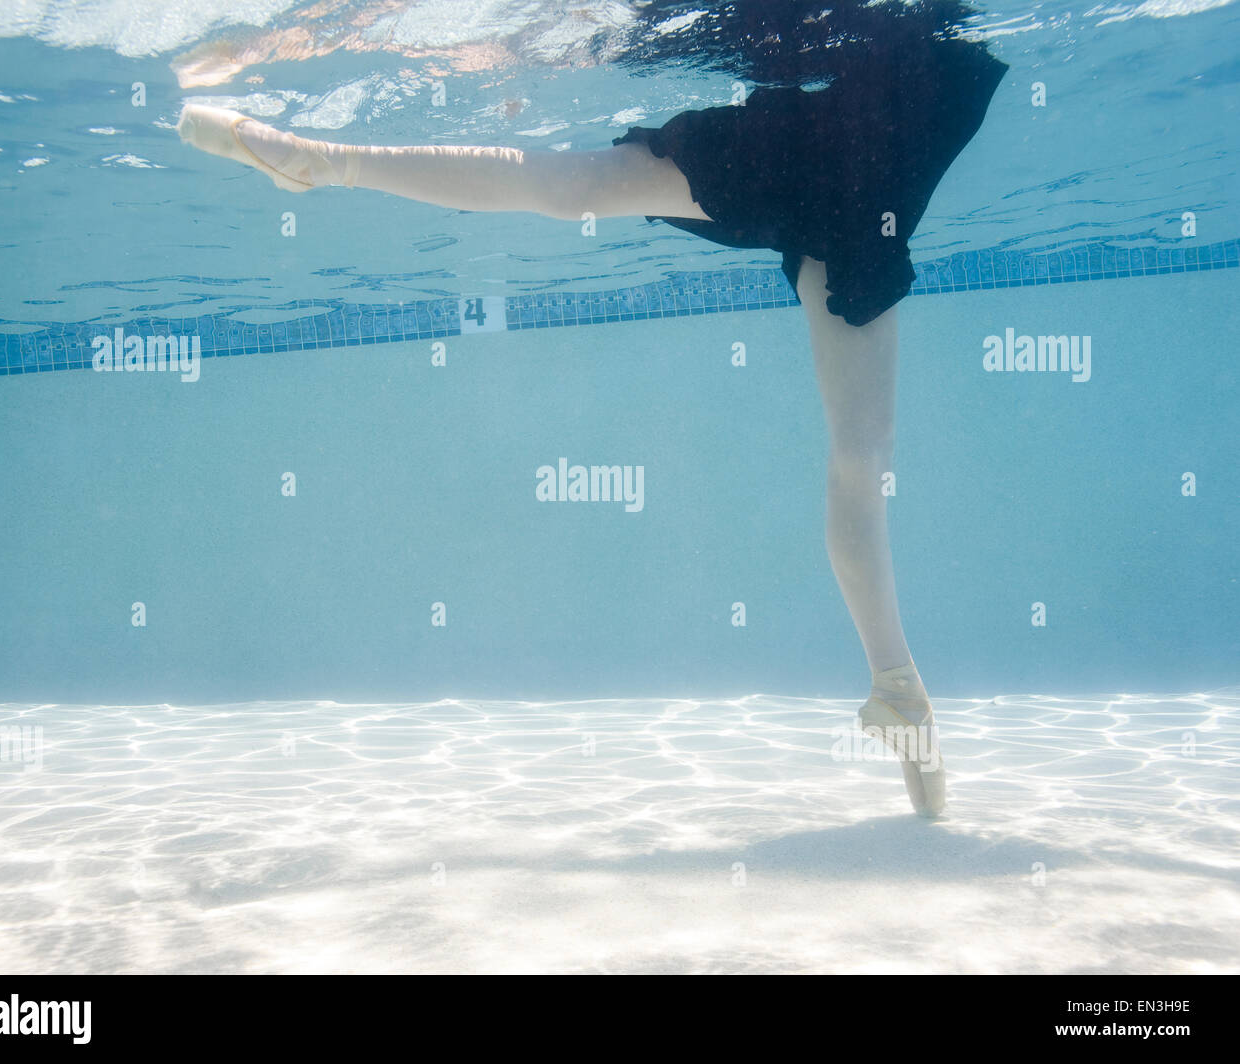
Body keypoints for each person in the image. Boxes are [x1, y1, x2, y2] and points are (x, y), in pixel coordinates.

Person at [176, 3, 1008, 817]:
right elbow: (536, 33)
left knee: (862, 451)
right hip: (837, 170)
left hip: (855, 203)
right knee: (572, 189)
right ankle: (318, 158)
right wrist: (272, 37)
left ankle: (898, 689)